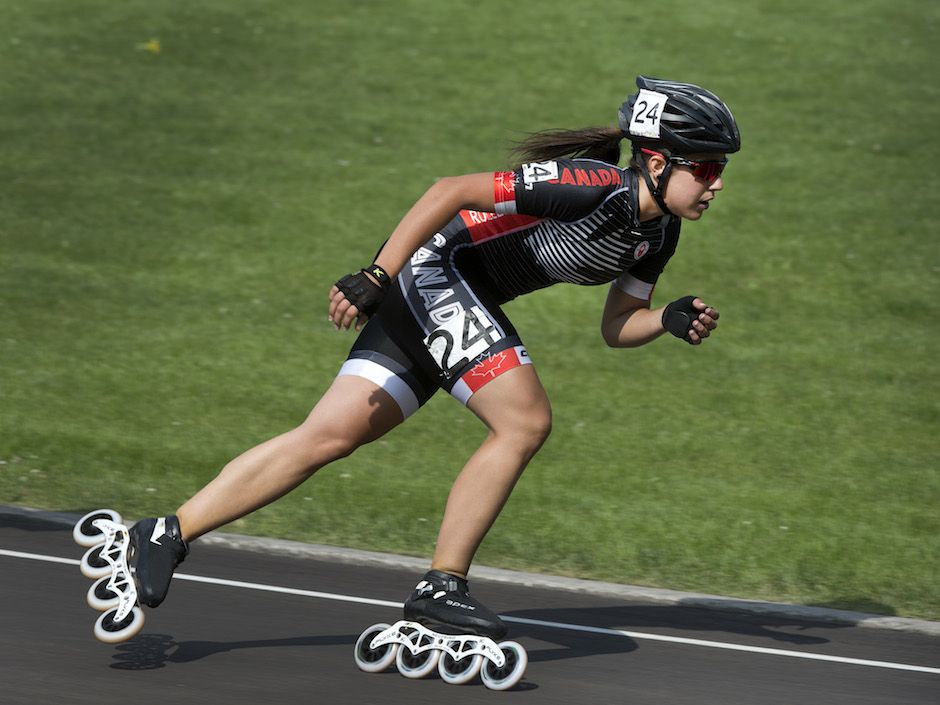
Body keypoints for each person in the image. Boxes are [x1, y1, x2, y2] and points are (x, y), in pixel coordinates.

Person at [126, 75, 741, 640]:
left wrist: (665, 319)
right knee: (524, 421)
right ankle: (441, 587)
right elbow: (450, 191)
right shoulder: (591, 186)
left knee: (328, 437)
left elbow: (617, 325)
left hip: (447, 297)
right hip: (437, 272)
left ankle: (166, 533)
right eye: (707, 168)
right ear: (656, 162)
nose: (716, 184)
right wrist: (376, 273)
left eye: (721, 169)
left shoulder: (659, 233)